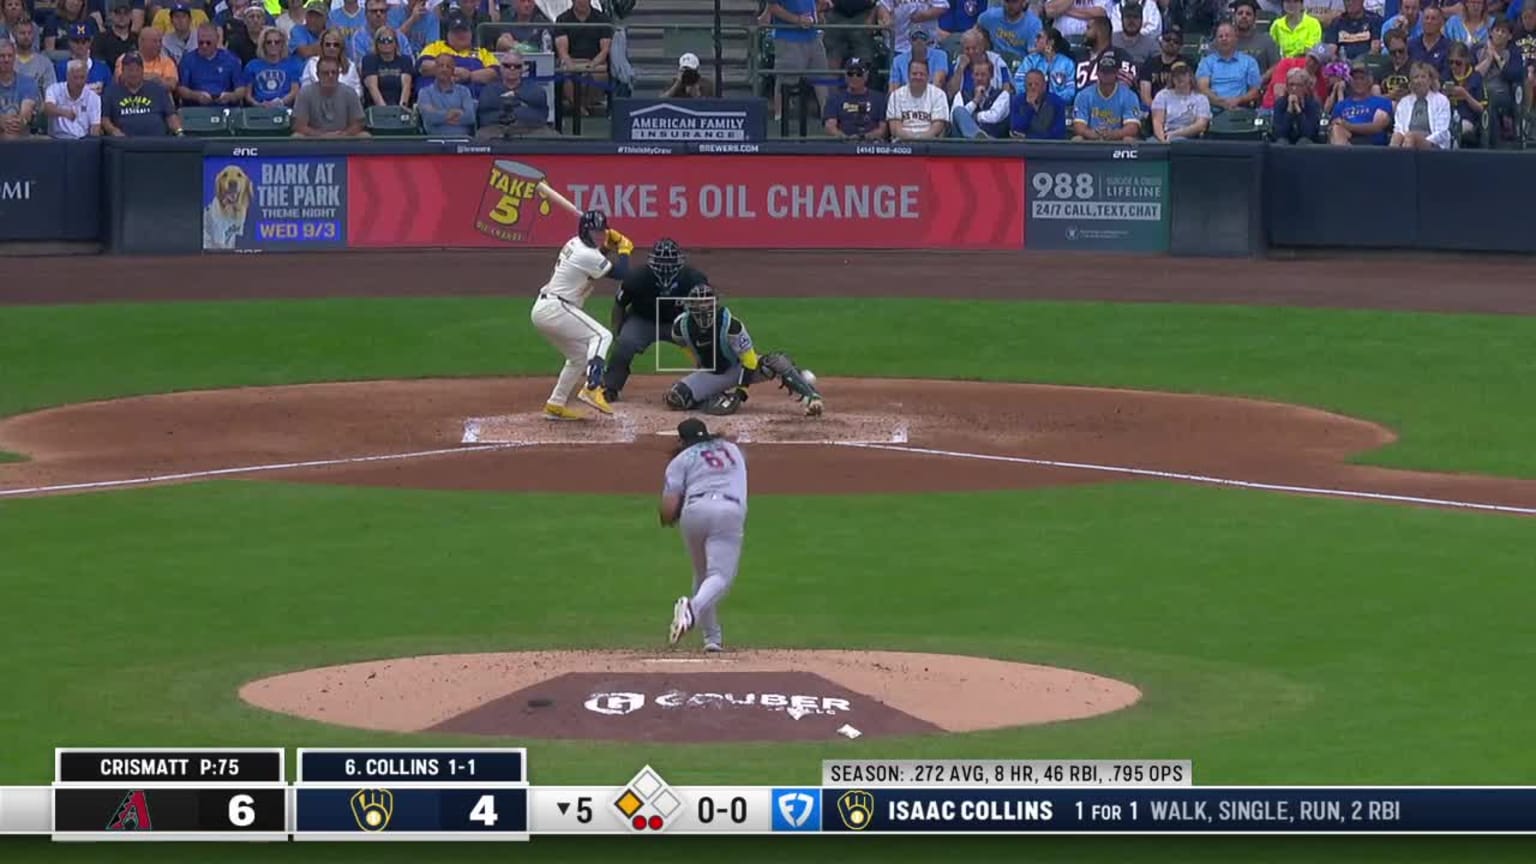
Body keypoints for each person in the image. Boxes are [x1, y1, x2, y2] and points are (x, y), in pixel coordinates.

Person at [663, 283, 824, 418]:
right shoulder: (680, 328)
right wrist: (699, 367)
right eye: (699, 305)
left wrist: (741, 393)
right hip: (711, 373)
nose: (703, 310)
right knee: (676, 399)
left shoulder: (731, 325)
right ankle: (711, 395)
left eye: (706, 304)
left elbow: (750, 360)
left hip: (738, 368)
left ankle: (811, 396)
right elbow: (685, 346)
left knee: (776, 362)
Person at [533, 210, 631, 422]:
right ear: (585, 231)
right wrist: (624, 249)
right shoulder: (586, 254)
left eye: (601, 233)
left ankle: (555, 404)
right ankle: (592, 387)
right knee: (602, 336)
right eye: (595, 233)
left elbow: (596, 263)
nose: (599, 236)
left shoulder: (575, 244)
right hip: (557, 308)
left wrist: (607, 247)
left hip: (548, 308)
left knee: (578, 358)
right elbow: (622, 273)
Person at [661, 417, 748, 653]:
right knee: (720, 577)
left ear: (682, 440)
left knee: (702, 576)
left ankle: (712, 639)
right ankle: (692, 608)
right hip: (728, 512)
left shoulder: (678, 462)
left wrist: (668, 517)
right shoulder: (732, 449)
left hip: (694, 513)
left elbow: (668, 510)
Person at [601, 237, 707, 403]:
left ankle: (706, 388)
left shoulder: (693, 279)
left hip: (679, 322)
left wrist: (703, 333)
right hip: (643, 320)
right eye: (662, 262)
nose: (666, 267)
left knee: (705, 346)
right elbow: (620, 304)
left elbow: (706, 307)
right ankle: (610, 387)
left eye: (670, 262)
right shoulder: (636, 278)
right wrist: (617, 331)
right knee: (625, 345)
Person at [1390, 60, 1452, 147]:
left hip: (1433, 143)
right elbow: (1398, 128)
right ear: (1411, 81)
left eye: (1423, 77)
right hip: (1407, 140)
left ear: (1430, 80)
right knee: (1396, 136)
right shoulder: (1404, 102)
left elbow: (1442, 132)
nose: (1419, 81)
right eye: (1416, 77)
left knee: (1410, 137)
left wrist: (1421, 140)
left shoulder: (1441, 100)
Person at [1151, 61, 1212, 140]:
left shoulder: (1201, 99)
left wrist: (1174, 134)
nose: (1179, 78)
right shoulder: (1162, 95)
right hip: (1164, 134)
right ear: (1172, 78)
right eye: (1175, 75)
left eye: (1183, 74)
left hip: (1189, 136)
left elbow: (1201, 125)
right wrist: (1163, 141)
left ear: (1190, 76)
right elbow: (1157, 121)